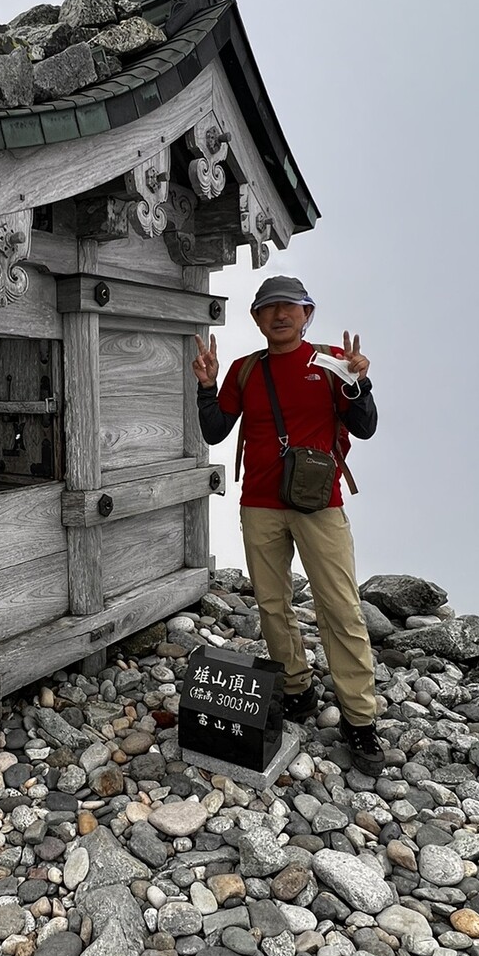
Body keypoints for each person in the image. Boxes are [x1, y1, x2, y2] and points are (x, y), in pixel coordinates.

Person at [192, 274, 385, 777]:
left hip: (319, 504)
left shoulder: (330, 363)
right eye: (269, 308)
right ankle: (296, 688)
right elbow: (215, 429)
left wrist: (358, 382)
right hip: (258, 503)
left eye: (290, 307)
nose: (280, 315)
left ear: (308, 314)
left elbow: (364, 427)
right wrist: (207, 386)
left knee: (340, 608)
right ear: (256, 319)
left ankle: (360, 719)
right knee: (271, 604)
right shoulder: (244, 370)